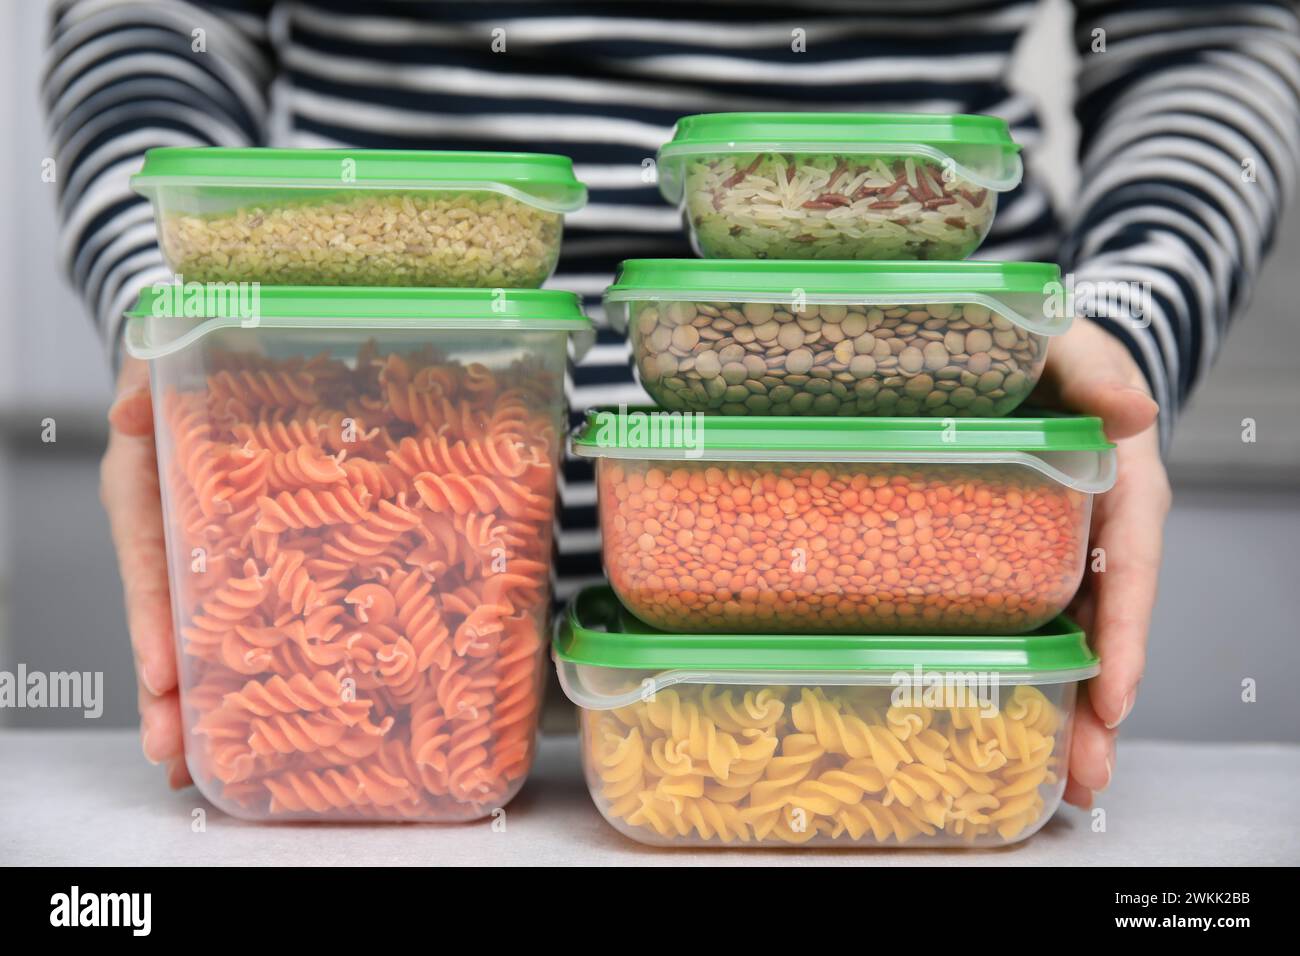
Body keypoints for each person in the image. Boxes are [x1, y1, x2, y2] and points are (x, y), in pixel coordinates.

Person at [45, 0, 1299, 810]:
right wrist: (184, 318)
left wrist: (1123, 331)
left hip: (953, 526)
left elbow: (1204, 32)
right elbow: (151, 18)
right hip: (321, 497)